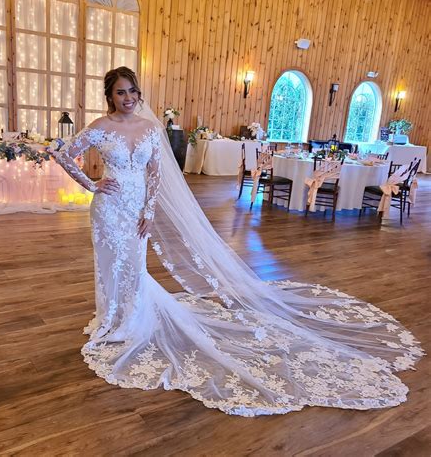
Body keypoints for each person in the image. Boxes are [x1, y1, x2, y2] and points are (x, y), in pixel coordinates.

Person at [52, 66, 423, 417]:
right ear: (110, 96)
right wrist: (92, 185)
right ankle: (112, 318)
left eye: (133, 91)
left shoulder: (150, 129)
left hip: (136, 210)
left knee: (133, 266)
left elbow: (154, 174)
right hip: (109, 209)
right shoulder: (100, 127)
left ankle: (131, 319)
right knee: (110, 265)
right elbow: (63, 153)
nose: (129, 98)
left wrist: (149, 211)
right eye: (121, 93)